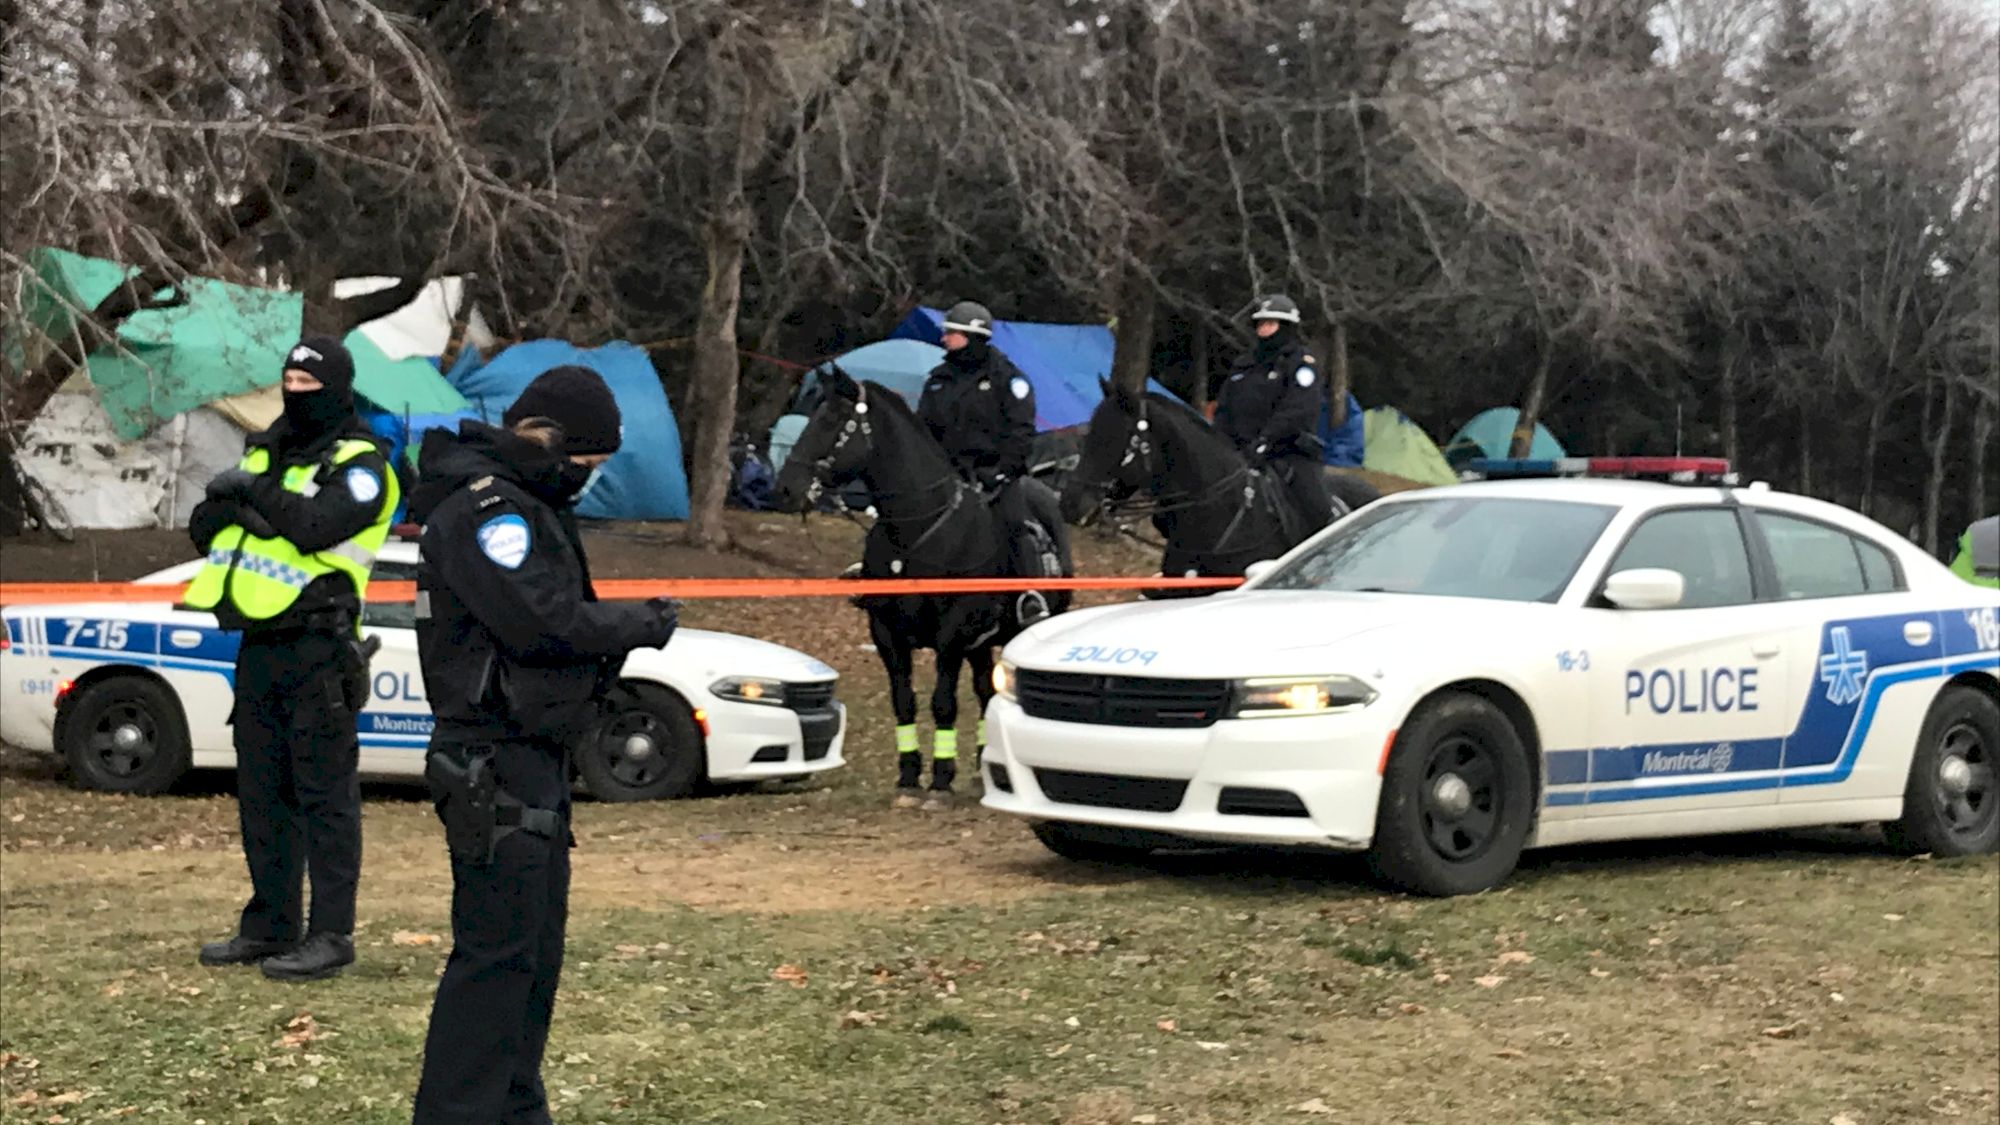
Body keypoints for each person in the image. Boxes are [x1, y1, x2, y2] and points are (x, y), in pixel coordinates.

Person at [408, 364, 679, 1125]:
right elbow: (544, 622)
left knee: (532, 961)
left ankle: (515, 1108)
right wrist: (641, 625)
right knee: (494, 962)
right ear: (554, 443)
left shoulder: (521, 503)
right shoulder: (490, 512)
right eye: (588, 465)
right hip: (494, 757)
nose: (590, 480)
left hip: (530, 756)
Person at [186, 335, 399, 982]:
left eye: (310, 388)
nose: (296, 398)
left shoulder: (365, 464)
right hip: (260, 644)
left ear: (337, 390)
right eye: (290, 386)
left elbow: (316, 526)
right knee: (262, 794)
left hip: (321, 645)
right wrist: (249, 501)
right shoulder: (268, 451)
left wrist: (257, 496)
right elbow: (205, 523)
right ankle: (270, 924)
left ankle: (330, 932)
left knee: (324, 795)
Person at [916, 300, 1069, 599]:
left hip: (994, 475)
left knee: (1012, 525)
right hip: (946, 474)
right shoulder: (937, 380)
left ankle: (1028, 594)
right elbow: (923, 430)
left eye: (951, 333)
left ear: (972, 337)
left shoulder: (1007, 378)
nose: (943, 338)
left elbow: (1021, 431)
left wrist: (1003, 472)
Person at [1212, 294, 1334, 534]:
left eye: (1271, 323)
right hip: (1239, 454)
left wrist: (1265, 441)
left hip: (1288, 452)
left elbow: (1298, 409)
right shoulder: (1243, 365)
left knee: (1317, 508)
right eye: (1261, 323)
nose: (1264, 329)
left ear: (1286, 327)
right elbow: (1224, 408)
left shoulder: (1300, 363)